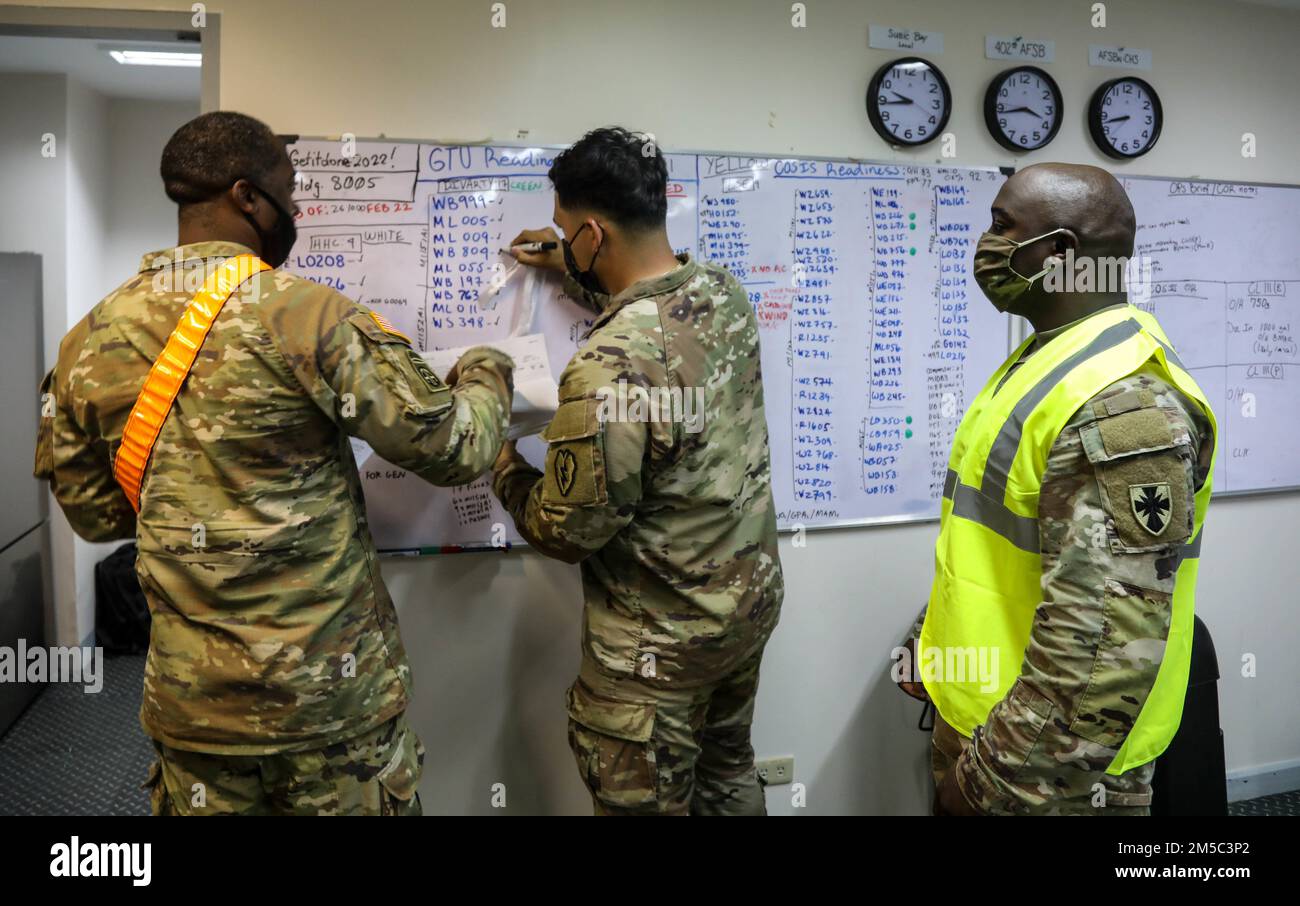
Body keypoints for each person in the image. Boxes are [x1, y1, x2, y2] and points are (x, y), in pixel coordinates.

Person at [34, 111, 515, 815]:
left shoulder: (86, 341)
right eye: (289, 193)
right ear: (246, 196)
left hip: (194, 714)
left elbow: (99, 517)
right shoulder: (310, 318)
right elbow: (457, 447)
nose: (296, 211)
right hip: (327, 709)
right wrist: (488, 371)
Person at [899, 162, 1216, 816]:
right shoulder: (1047, 360)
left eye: (1001, 226)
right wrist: (930, 641)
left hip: (1046, 778)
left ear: (1062, 253)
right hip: (993, 726)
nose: (984, 246)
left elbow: (1107, 646)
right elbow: (998, 540)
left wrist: (992, 780)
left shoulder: (1124, 407)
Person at [496, 127, 784, 815]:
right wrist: (568, 267)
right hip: (742, 613)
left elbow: (568, 530)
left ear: (594, 234)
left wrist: (504, 466)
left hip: (655, 655)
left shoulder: (609, 366)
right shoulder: (723, 293)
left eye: (569, 233)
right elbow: (665, 325)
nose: (564, 242)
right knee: (728, 776)